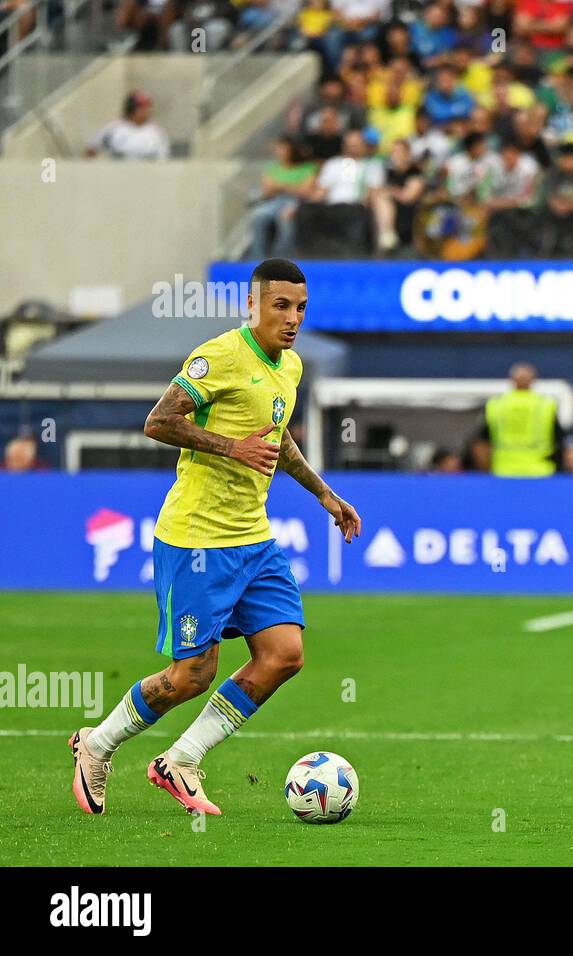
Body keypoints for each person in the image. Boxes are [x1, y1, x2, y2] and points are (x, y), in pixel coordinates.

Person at [69, 258, 362, 817]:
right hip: (197, 541)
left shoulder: (291, 367)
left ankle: (180, 759)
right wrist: (232, 448)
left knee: (285, 654)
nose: (292, 317)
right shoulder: (221, 356)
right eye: (281, 305)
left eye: (301, 308)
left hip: (253, 538)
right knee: (191, 676)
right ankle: (96, 745)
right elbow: (158, 422)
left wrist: (324, 493)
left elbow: (277, 440)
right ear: (253, 306)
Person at [483, 363, 561, 477]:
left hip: (504, 470)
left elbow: (482, 442)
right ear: (533, 380)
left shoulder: (497, 405)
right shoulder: (545, 405)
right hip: (539, 470)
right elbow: (559, 438)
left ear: (512, 380)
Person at [249, 136, 317, 260]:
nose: (279, 152)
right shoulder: (272, 167)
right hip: (274, 201)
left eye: (282, 149)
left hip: (296, 202)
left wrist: (280, 185)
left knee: (285, 220)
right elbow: (268, 190)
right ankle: (257, 256)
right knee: (258, 216)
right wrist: (292, 186)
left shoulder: (308, 167)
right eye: (277, 149)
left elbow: (306, 191)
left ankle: (281, 257)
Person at [86, 90, 171, 160]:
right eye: (142, 108)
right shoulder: (113, 128)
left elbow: (163, 159)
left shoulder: (157, 132)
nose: (146, 111)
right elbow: (91, 150)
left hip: (146, 174)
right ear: (131, 109)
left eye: (147, 108)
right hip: (117, 174)